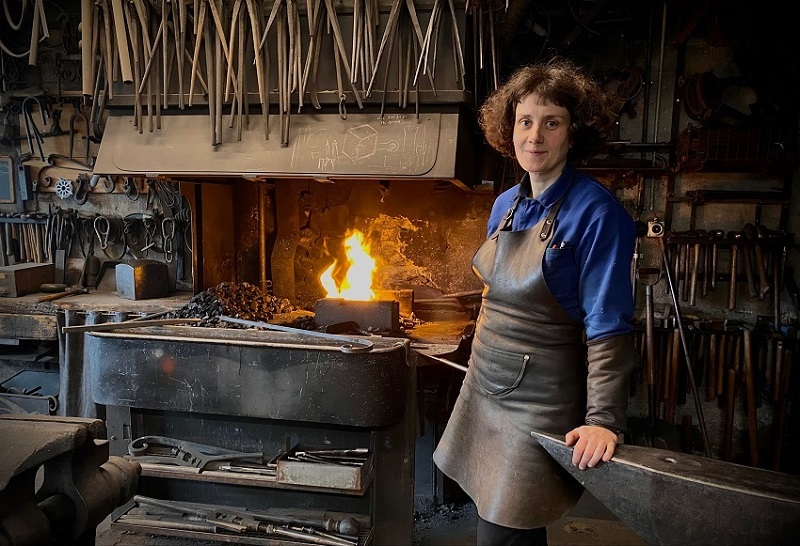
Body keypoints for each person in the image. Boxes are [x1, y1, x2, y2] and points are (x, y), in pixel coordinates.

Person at [432, 56, 637, 545]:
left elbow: (608, 323)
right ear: (510, 128)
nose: (535, 136)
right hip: (484, 388)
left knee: (502, 531)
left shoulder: (598, 213)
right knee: (508, 522)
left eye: (552, 123)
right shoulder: (506, 205)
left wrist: (603, 421)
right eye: (525, 121)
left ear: (573, 132)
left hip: (539, 402)